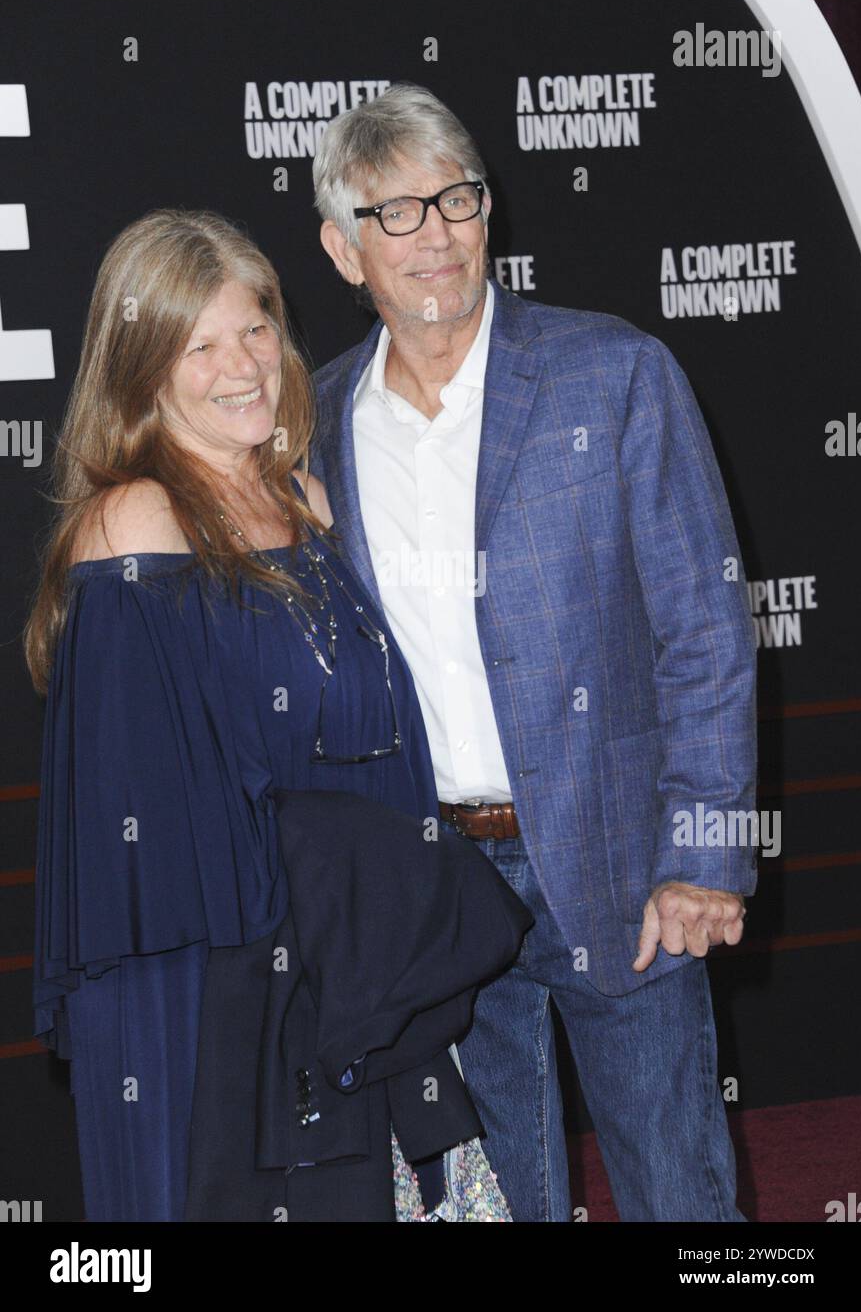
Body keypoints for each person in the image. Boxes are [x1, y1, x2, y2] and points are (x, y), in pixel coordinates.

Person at [308, 82, 759, 1222]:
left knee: (681, 1193)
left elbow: (705, 628)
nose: (437, 235)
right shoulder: (314, 427)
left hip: (622, 869)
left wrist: (705, 853)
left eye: (456, 198)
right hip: (440, 892)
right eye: (396, 213)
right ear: (341, 248)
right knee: (502, 1200)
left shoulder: (613, 375)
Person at [24, 208, 520, 1222]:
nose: (240, 364)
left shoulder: (307, 501)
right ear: (143, 371)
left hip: (346, 973)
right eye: (196, 345)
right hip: (208, 994)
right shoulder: (136, 521)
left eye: (253, 328)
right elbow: (141, 843)